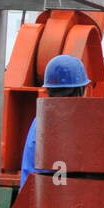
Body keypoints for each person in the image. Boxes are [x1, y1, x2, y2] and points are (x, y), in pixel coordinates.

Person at [19, 54, 90, 187]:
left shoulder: (41, 119)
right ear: (80, 89)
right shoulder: (64, 124)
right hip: (48, 200)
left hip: (32, 197)